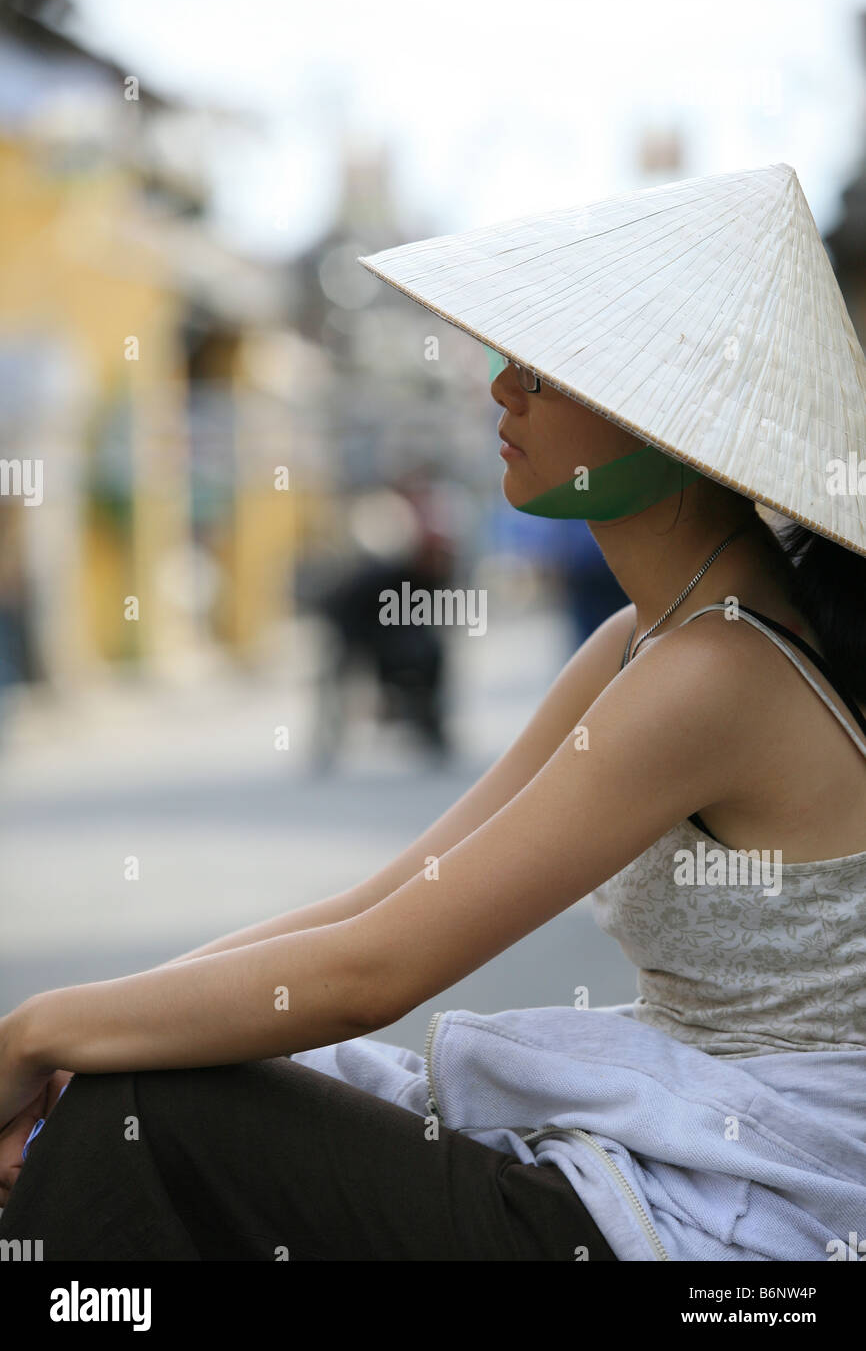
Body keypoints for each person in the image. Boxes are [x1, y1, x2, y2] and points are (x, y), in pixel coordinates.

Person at [2, 162, 865, 1261]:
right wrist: (96, 1028)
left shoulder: (715, 670)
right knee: (134, 1078)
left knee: (144, 1110)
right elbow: (381, 900)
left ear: (666, 418)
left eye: (544, 369)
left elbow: (370, 976)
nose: (502, 389)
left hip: (745, 1226)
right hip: (663, 1161)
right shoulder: (642, 640)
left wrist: (37, 1034)